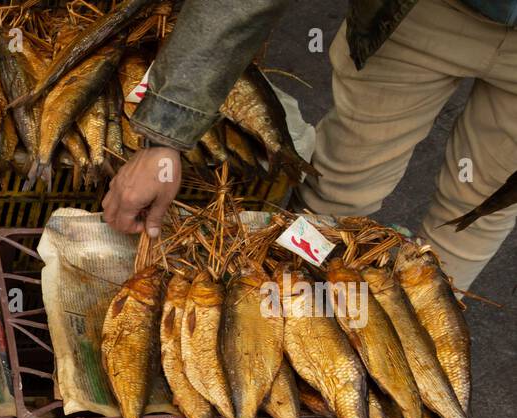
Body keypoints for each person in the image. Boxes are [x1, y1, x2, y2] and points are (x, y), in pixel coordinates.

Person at [101, 0, 517, 291]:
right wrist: (164, 136)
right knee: (337, 193)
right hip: (420, 14)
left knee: (479, 212)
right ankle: (302, 312)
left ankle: (423, 377)